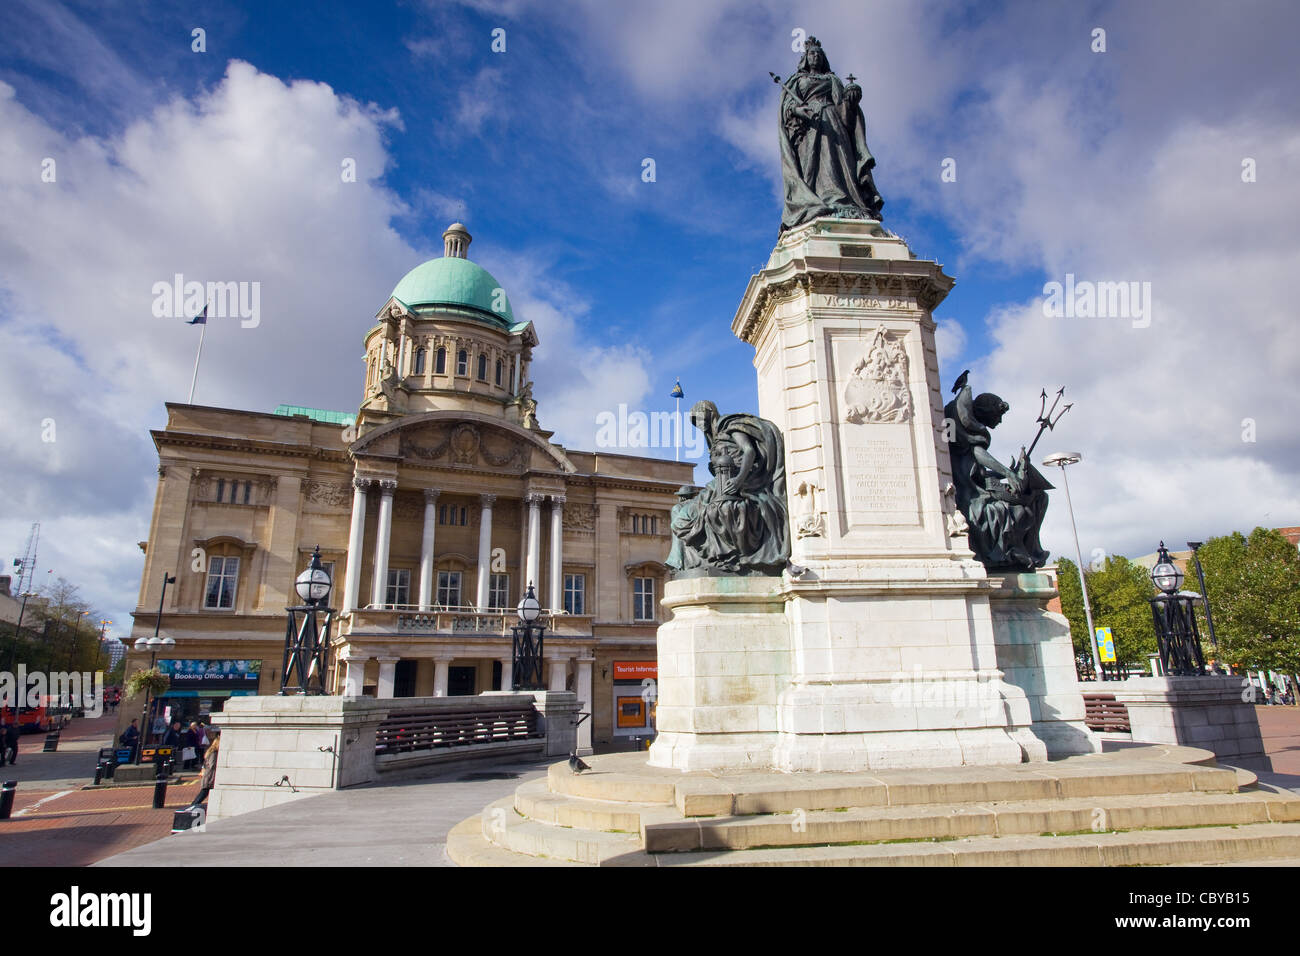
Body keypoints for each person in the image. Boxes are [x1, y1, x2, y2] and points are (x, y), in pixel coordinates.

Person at [191, 729, 220, 806]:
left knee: (204, 793)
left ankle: (193, 806)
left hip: (208, 776)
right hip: (210, 776)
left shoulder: (211, 751)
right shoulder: (214, 752)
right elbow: (212, 764)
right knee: (203, 793)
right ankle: (192, 806)